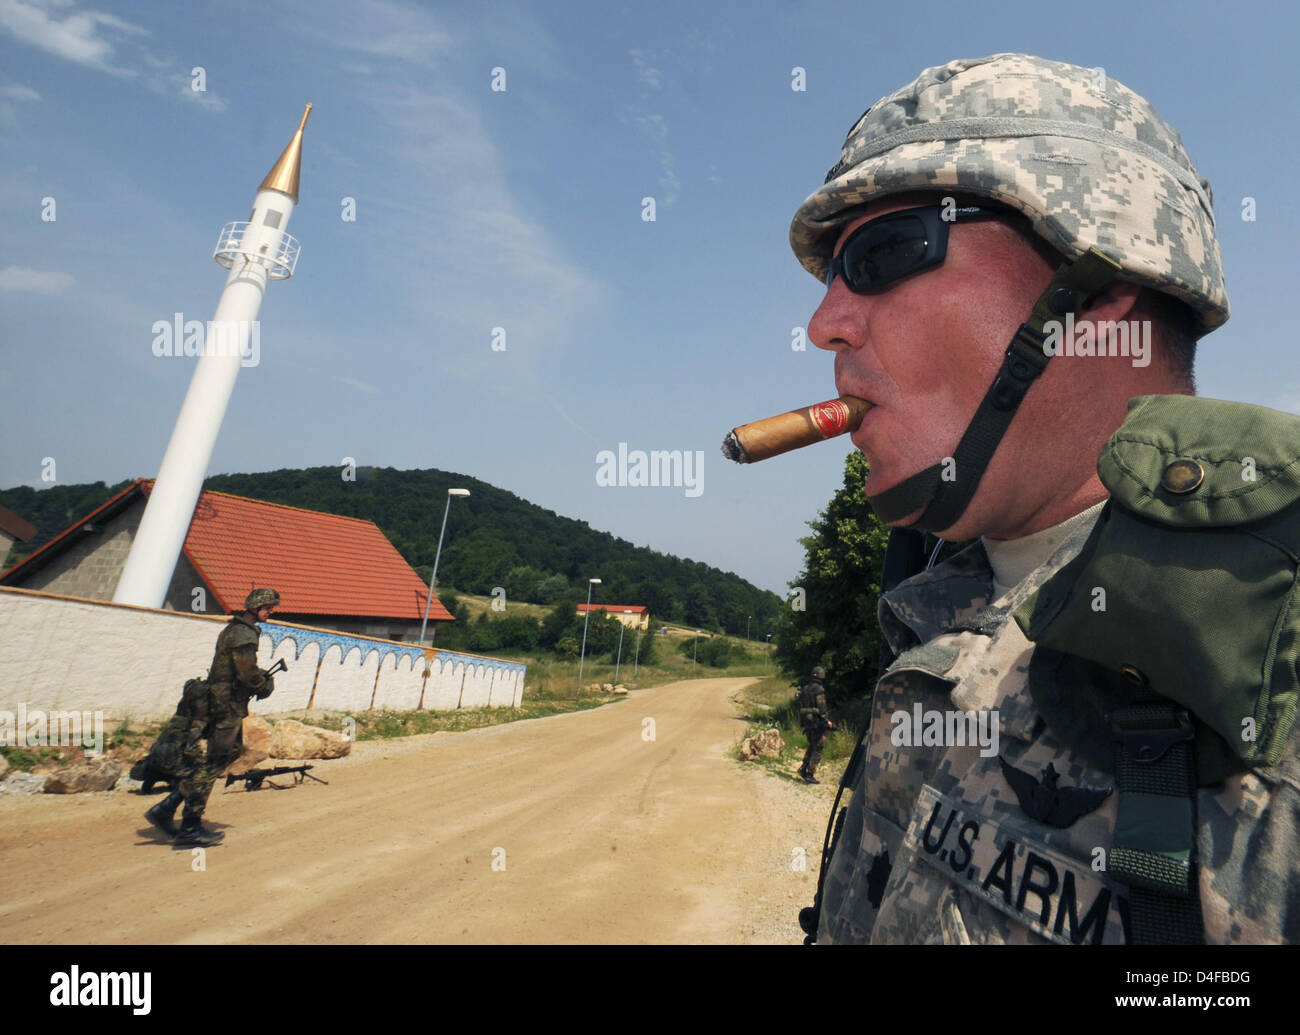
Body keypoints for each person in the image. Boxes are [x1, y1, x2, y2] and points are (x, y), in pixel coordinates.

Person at [788, 54, 1299, 944]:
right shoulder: (941, 606)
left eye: (879, 255)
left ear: (1095, 298)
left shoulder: (1269, 676)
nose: (823, 322)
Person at [144, 588, 280, 846]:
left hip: (222, 704)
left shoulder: (234, 629)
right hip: (225, 707)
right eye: (268, 606)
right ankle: (189, 828)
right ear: (256, 606)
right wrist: (264, 684)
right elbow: (247, 674)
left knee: (231, 752)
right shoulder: (243, 634)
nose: (272, 611)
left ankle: (167, 807)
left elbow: (234, 668)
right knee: (213, 764)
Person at [797, 666, 833, 784]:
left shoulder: (805, 688)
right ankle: (809, 773)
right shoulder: (819, 690)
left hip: (806, 722)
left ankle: (803, 768)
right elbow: (822, 708)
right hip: (816, 723)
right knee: (818, 748)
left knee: (812, 745)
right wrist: (827, 721)